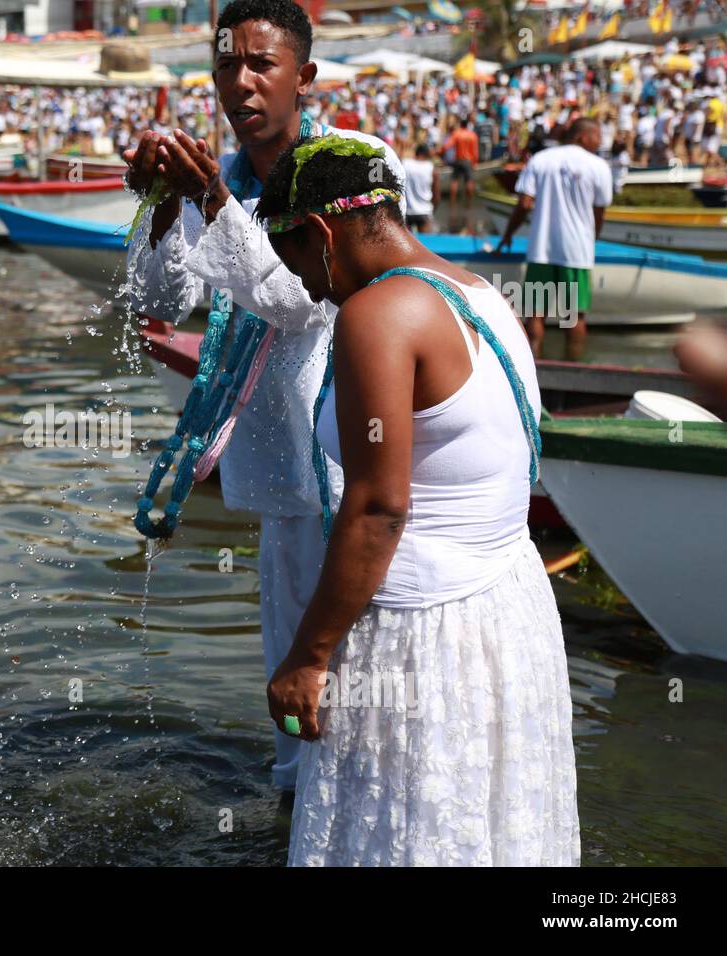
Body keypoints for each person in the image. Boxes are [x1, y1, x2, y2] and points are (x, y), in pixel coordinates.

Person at [254, 132, 578, 866]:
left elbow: (378, 506)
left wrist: (308, 655)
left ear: (319, 232)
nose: (307, 287)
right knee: (484, 826)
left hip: (421, 635)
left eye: (297, 261)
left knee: (399, 835)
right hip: (506, 609)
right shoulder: (480, 294)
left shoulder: (378, 314)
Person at [123, 0, 405, 795]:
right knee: (290, 675)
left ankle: (359, 815)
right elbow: (159, 298)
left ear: (304, 78)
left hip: (353, 464)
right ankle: (297, 818)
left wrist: (209, 199)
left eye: (262, 65)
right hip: (278, 463)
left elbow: (302, 301)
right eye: (226, 66)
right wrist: (163, 204)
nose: (240, 83)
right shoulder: (227, 178)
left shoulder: (353, 164)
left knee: (360, 683)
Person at [495, 118, 612, 360]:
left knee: (535, 314)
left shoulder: (541, 159)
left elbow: (525, 204)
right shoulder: (598, 166)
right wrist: (593, 238)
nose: (600, 142)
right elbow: (599, 212)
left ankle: (533, 368)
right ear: (582, 137)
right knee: (574, 317)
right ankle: (575, 373)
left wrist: (508, 234)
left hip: (541, 249)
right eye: (597, 136)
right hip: (577, 253)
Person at [441, 117, 479, 203]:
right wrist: (475, 163)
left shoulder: (457, 134)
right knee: (469, 181)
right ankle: (469, 202)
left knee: (454, 181)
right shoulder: (473, 135)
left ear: (460, 125)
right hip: (468, 161)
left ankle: (452, 201)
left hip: (458, 160)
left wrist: (440, 152)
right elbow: (475, 151)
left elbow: (447, 146)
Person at [401, 142, 437, 232]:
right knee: (426, 243)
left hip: (406, 212)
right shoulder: (431, 168)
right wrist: (432, 209)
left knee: (407, 245)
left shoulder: (405, 164)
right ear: (427, 154)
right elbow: (437, 196)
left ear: (416, 153)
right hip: (424, 212)